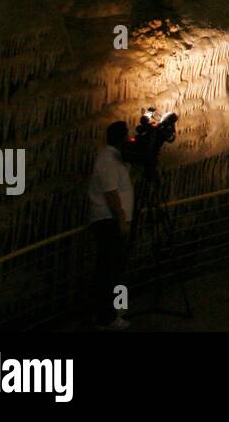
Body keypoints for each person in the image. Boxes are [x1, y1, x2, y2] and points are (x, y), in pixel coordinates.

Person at [87, 121, 133, 331]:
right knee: (109, 271)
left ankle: (117, 310)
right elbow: (111, 193)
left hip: (112, 221)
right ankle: (106, 317)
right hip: (109, 222)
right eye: (127, 136)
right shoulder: (107, 159)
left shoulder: (115, 158)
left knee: (117, 268)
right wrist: (122, 220)